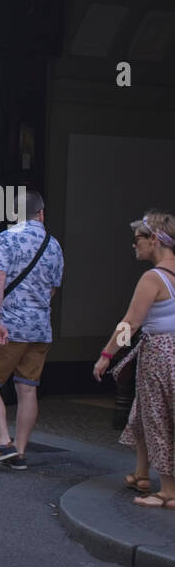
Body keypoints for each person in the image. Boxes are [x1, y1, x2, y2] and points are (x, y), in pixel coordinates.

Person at [0, 190, 63, 470]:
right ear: (42, 213)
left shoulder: (7, 238)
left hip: (10, 326)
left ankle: (3, 442)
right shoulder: (54, 245)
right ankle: (20, 452)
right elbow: (52, 290)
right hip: (40, 329)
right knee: (27, 390)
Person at [96, 210, 175, 510]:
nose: (134, 245)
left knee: (159, 419)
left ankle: (168, 490)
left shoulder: (152, 278)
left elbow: (131, 323)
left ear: (154, 239)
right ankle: (143, 473)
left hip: (160, 354)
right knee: (148, 414)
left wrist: (106, 355)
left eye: (138, 239)